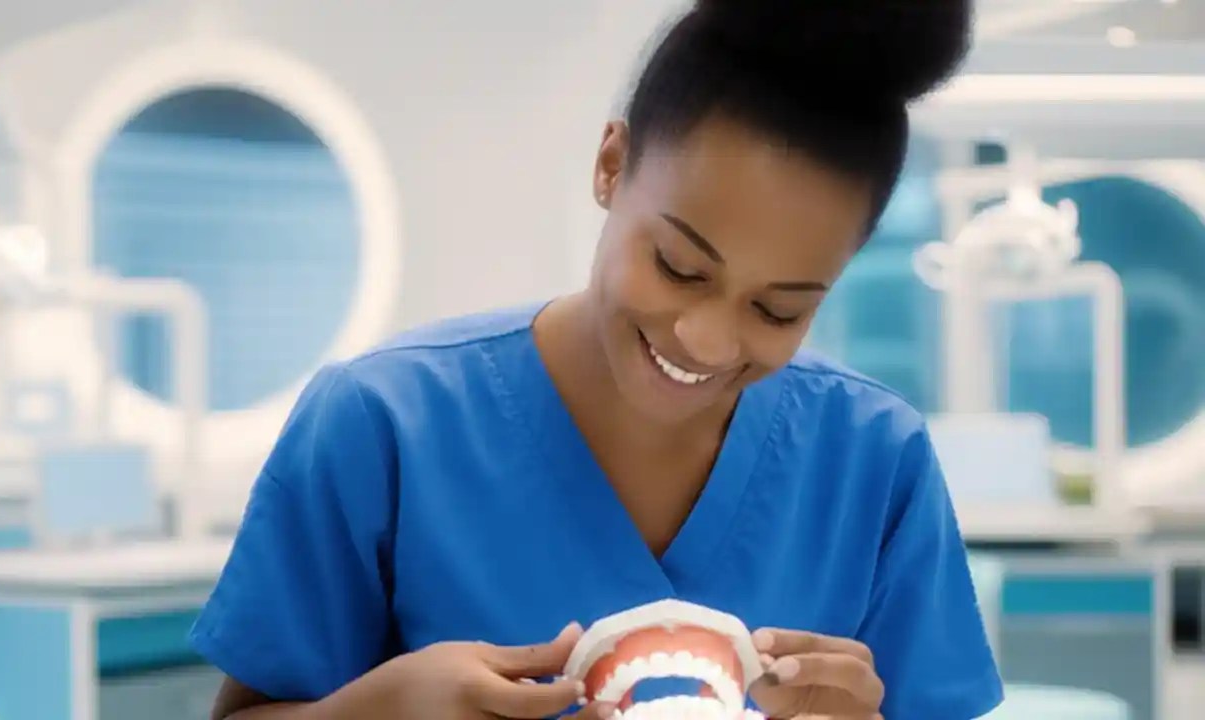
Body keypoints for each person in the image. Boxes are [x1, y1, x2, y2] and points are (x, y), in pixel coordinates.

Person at [190, 1, 1003, 718]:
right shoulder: (382, 423)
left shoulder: (874, 458)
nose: (708, 340)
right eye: (680, 267)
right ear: (611, 165)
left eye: (777, 308)